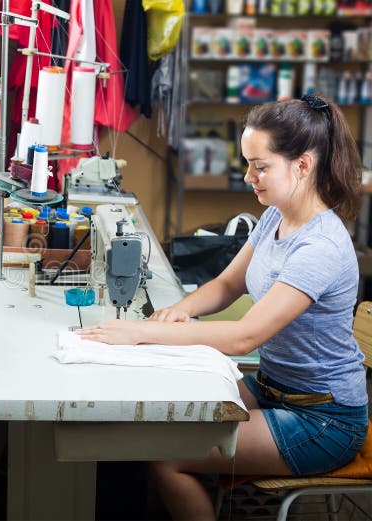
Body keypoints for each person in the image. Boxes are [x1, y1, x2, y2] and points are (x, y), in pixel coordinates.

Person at [77, 94, 369, 520]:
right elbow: (228, 283)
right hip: (273, 388)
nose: (249, 176)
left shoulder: (320, 246)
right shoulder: (276, 215)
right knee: (158, 415)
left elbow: (244, 336)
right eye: (248, 162)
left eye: (260, 165)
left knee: (167, 458)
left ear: (302, 165)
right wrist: (180, 310)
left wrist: (142, 332)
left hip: (323, 419)